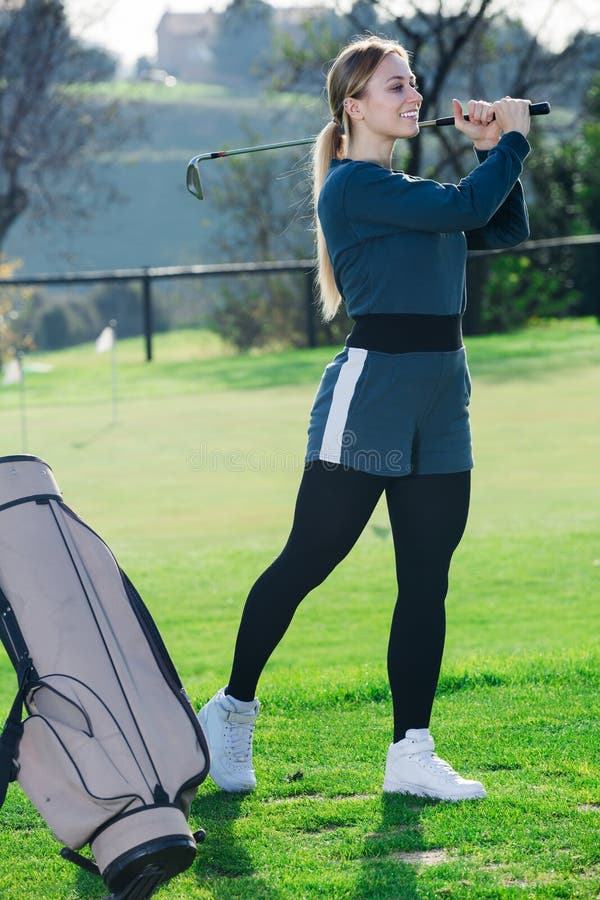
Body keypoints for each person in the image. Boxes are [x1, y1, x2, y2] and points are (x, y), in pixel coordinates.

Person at [199, 35, 531, 801]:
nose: (413, 95)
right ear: (354, 106)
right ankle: (232, 708)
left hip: (443, 396)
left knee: (426, 579)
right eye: (396, 87)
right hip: (372, 395)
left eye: (413, 84)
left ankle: (410, 751)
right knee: (309, 560)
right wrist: (507, 140)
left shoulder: (413, 191)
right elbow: (471, 203)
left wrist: (493, 150)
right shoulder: (352, 188)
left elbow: (499, 224)